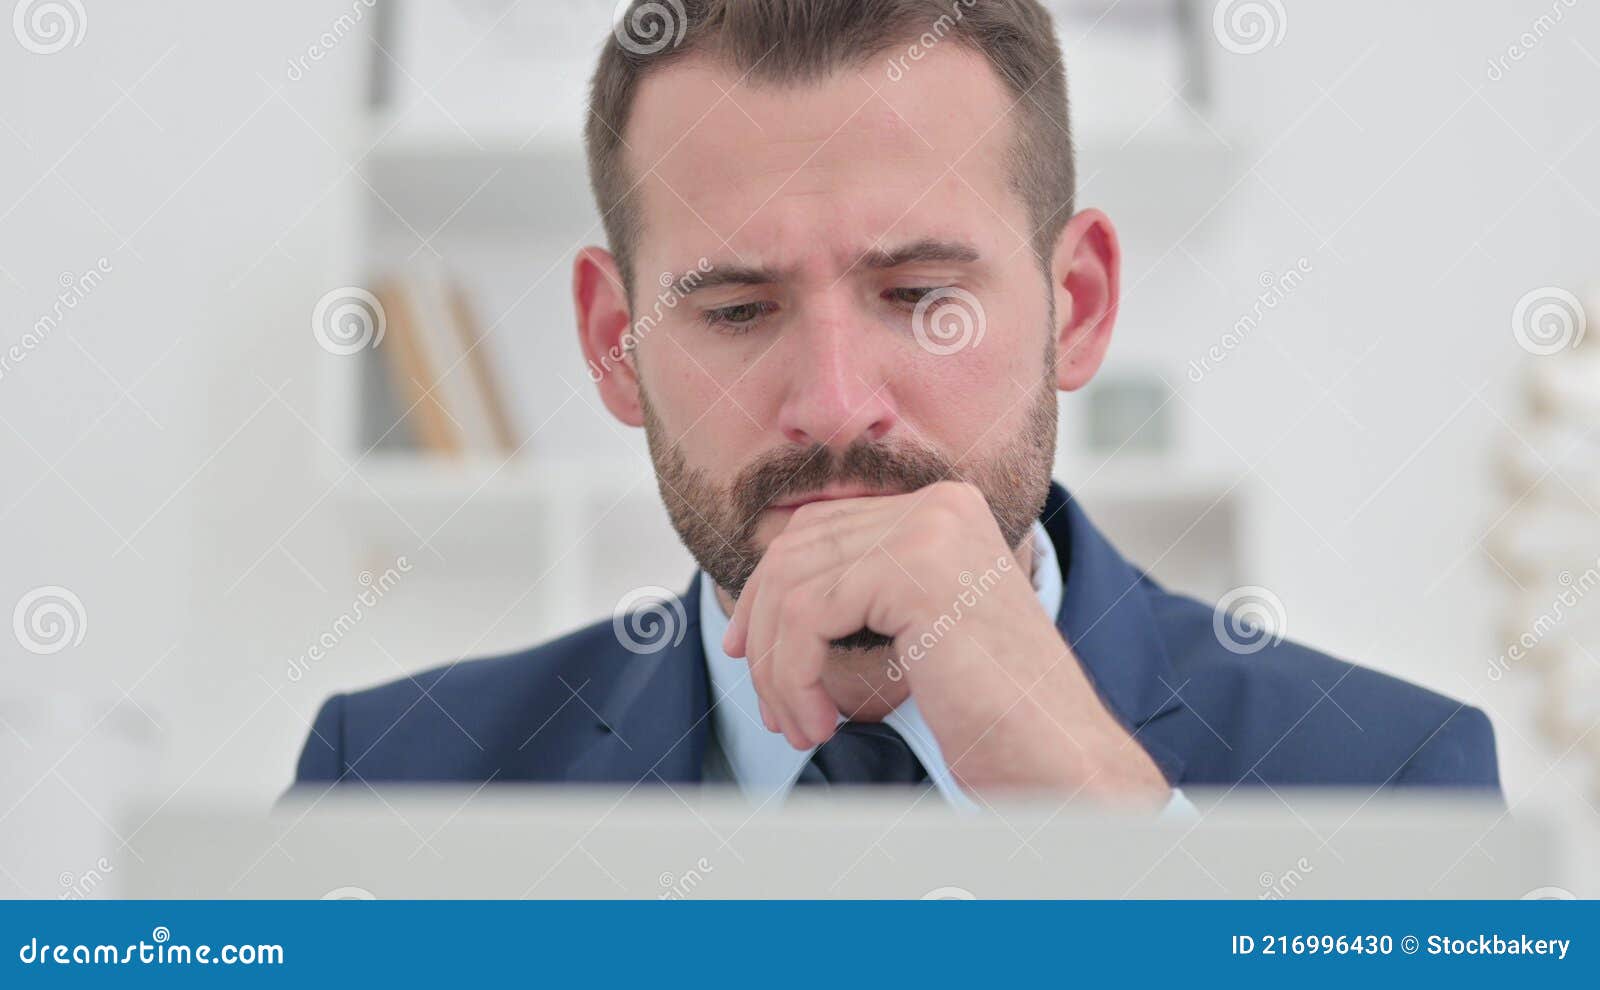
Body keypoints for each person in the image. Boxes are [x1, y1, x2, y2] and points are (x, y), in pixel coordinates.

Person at [292, 0, 1499, 809]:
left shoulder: (1390, 778)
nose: (830, 405)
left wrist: (1093, 810)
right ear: (616, 345)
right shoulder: (389, 782)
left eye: (922, 297)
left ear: (1074, 306)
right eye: (734, 311)